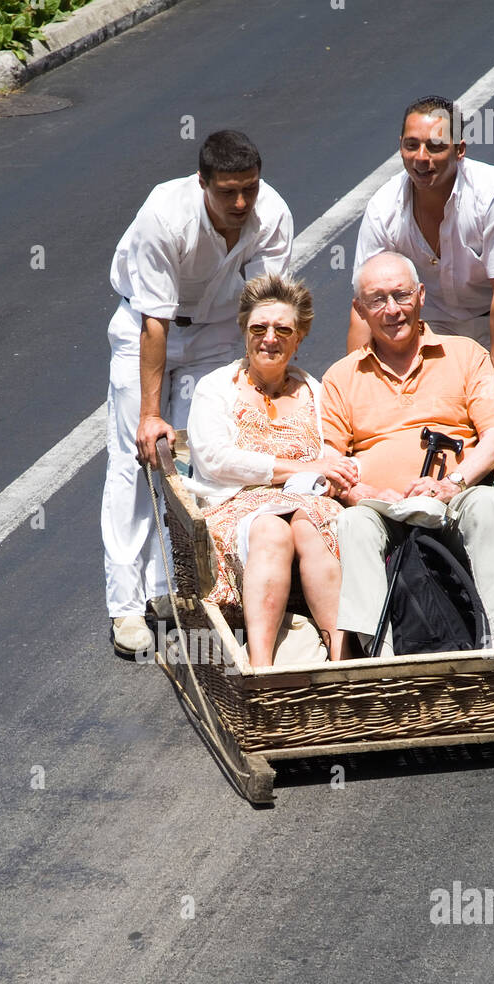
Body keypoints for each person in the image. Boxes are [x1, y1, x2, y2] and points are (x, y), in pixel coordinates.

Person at [103, 131, 294, 656]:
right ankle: (125, 606)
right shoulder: (164, 218)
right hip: (145, 326)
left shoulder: (271, 212)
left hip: (214, 333)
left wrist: (274, 386)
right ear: (202, 182)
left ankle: (177, 593)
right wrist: (149, 415)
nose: (240, 204)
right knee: (139, 459)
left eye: (249, 190)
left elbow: (267, 306)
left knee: (201, 460)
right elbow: (154, 323)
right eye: (228, 191)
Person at [323, 252, 494, 658]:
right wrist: (364, 493)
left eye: (401, 295)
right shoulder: (341, 377)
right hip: (381, 507)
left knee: (490, 504)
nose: (392, 310)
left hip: (455, 497)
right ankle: (379, 655)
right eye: (377, 300)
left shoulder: (464, 354)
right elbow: (330, 460)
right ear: (360, 310)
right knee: (353, 523)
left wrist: (452, 483)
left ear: (421, 295)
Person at [347, 96, 494, 526]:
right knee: (426, 439)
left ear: (460, 149)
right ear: (400, 146)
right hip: (430, 334)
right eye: (412, 145)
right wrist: (353, 383)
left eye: (435, 147)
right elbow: (365, 306)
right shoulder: (383, 208)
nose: (422, 158)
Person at [186, 274, 357, 666]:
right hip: (239, 505)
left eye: (283, 329)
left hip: (308, 502)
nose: (270, 338)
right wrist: (302, 466)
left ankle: (342, 662)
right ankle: (261, 670)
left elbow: (333, 450)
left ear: (299, 338)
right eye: (259, 328)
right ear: (244, 332)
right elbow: (215, 458)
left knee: (309, 524)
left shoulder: (315, 391)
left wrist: (325, 471)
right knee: (271, 528)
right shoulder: (216, 388)